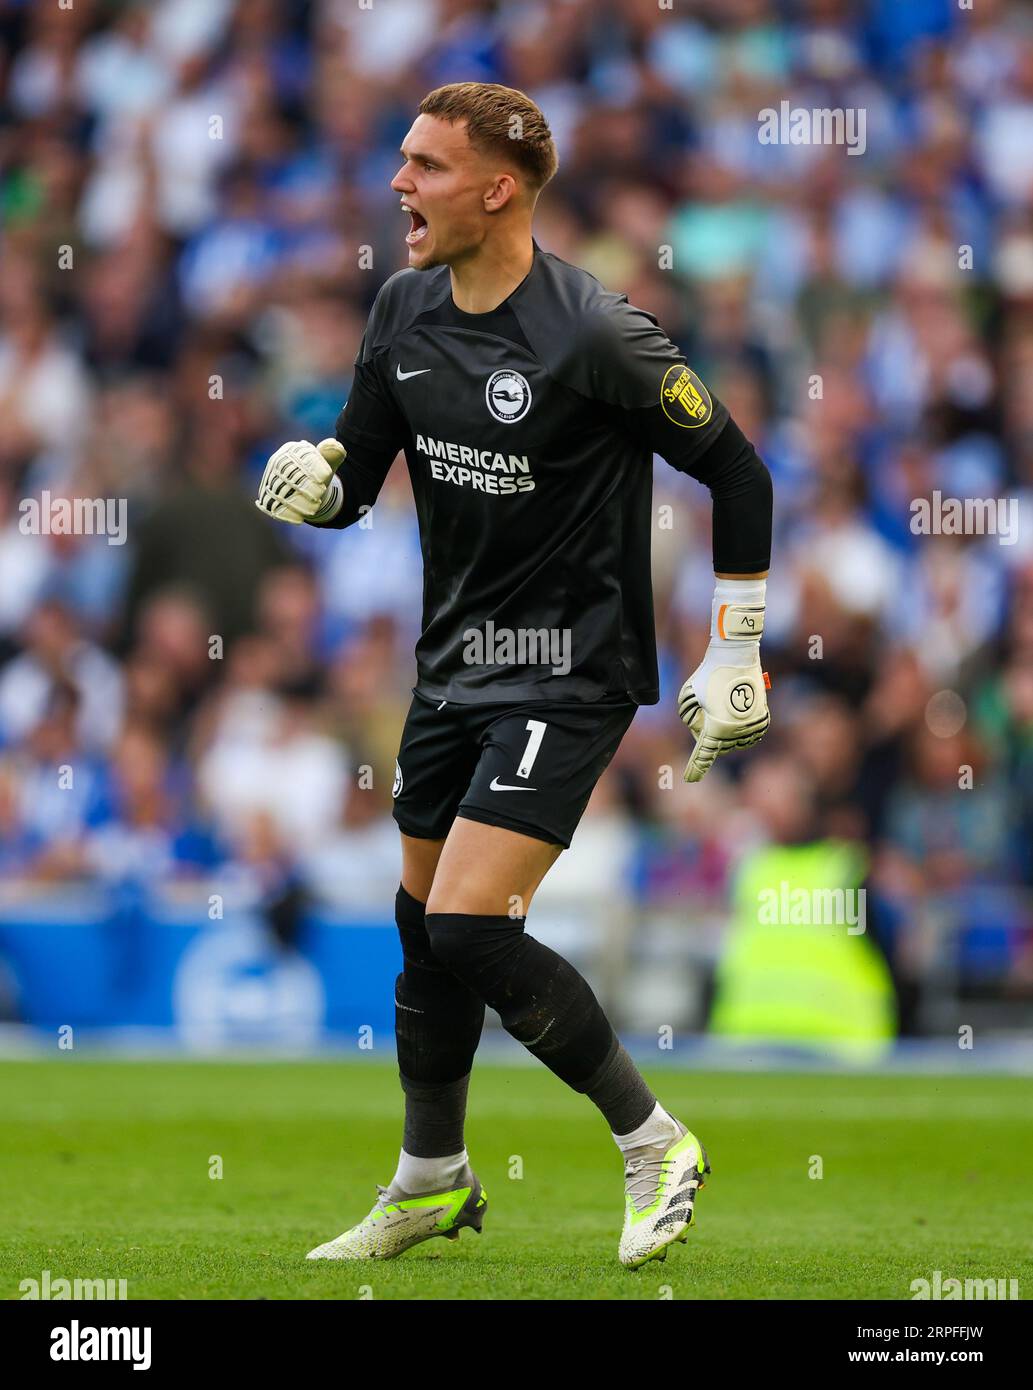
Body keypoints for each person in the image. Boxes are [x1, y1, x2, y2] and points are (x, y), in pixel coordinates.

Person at [255, 82, 772, 1269]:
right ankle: (430, 1180)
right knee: (420, 923)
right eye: (401, 162)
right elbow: (356, 469)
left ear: (498, 189)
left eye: (426, 168)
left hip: (568, 667)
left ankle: (653, 1140)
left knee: (469, 924)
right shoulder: (400, 307)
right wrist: (317, 489)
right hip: (453, 665)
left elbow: (740, 475)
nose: (400, 186)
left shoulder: (594, 332)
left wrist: (736, 642)